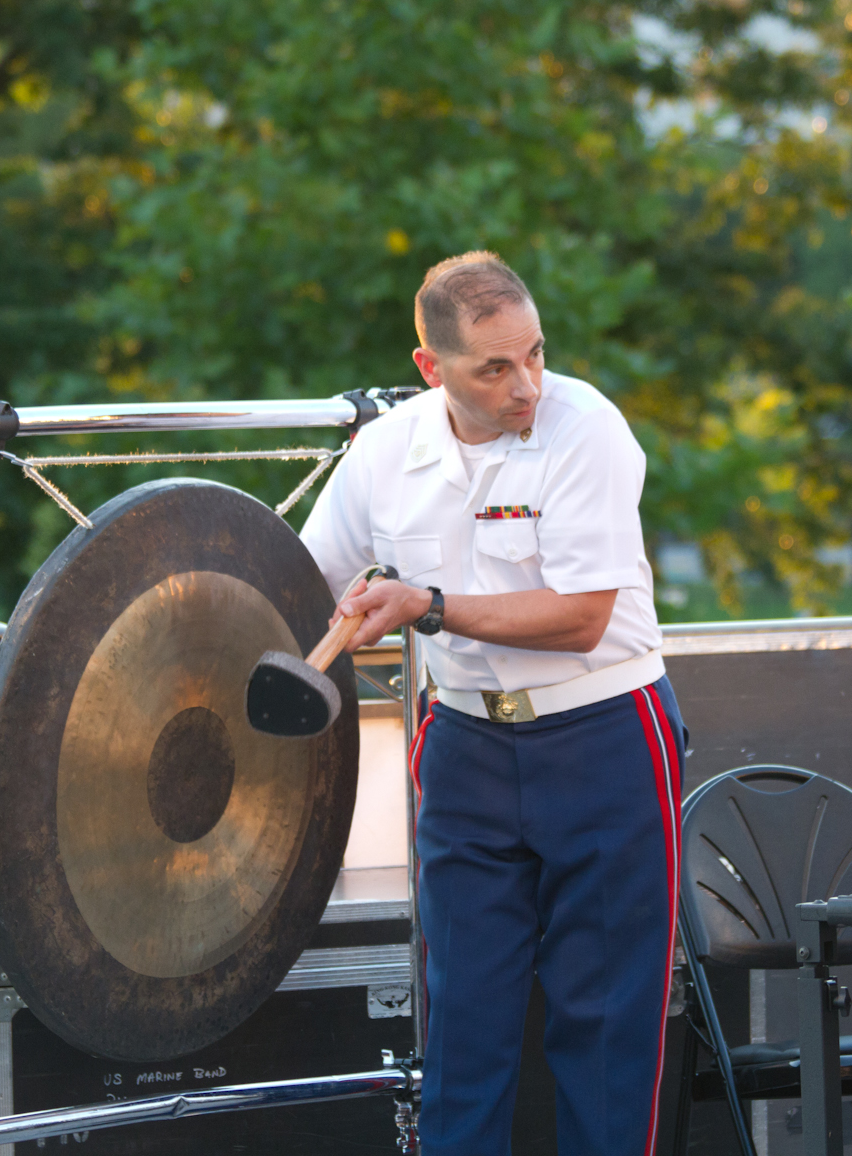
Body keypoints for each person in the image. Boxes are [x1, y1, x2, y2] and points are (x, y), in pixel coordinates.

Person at [299, 251, 687, 1156]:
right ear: (429, 369)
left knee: (602, 1025)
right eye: (496, 367)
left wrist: (425, 605)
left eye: (537, 355)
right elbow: (300, 573)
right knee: (463, 1018)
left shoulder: (587, 427)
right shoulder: (385, 449)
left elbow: (585, 616)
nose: (529, 385)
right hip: (464, 743)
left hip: (606, 739)